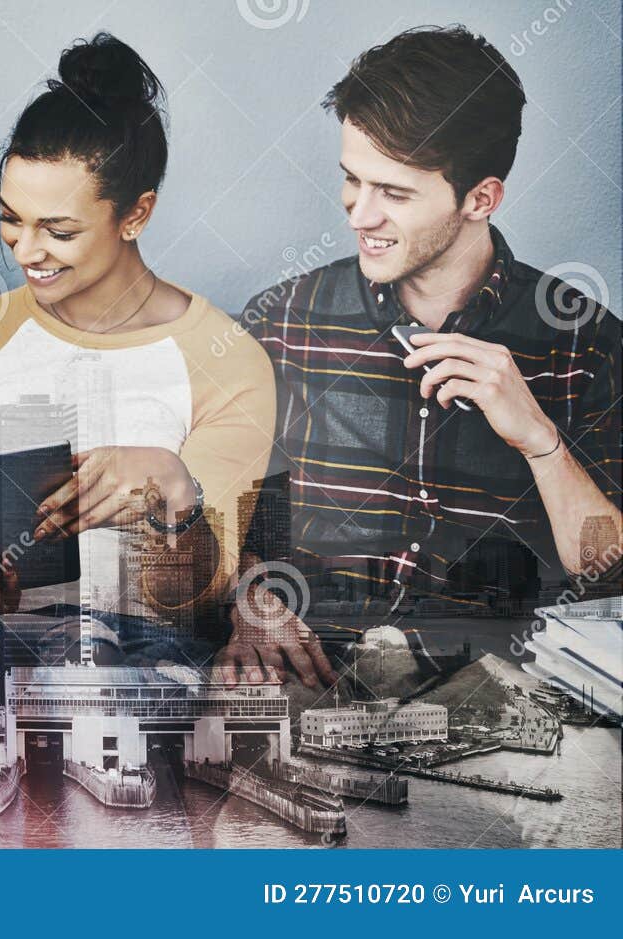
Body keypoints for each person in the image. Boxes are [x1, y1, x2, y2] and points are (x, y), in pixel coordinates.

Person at [224, 26, 623, 688]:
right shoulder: (282, 323)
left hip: (506, 722)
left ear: (480, 199)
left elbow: (606, 573)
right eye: (353, 180)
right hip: (309, 693)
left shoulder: (586, 344)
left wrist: (540, 441)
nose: (359, 213)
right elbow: (206, 518)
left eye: (396, 193)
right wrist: (244, 601)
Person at [0, 34, 275, 666]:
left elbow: (194, 598)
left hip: (148, 652)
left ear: (136, 215)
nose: (25, 251)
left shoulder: (226, 357)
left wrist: (173, 484)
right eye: (10, 218)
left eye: (58, 230)